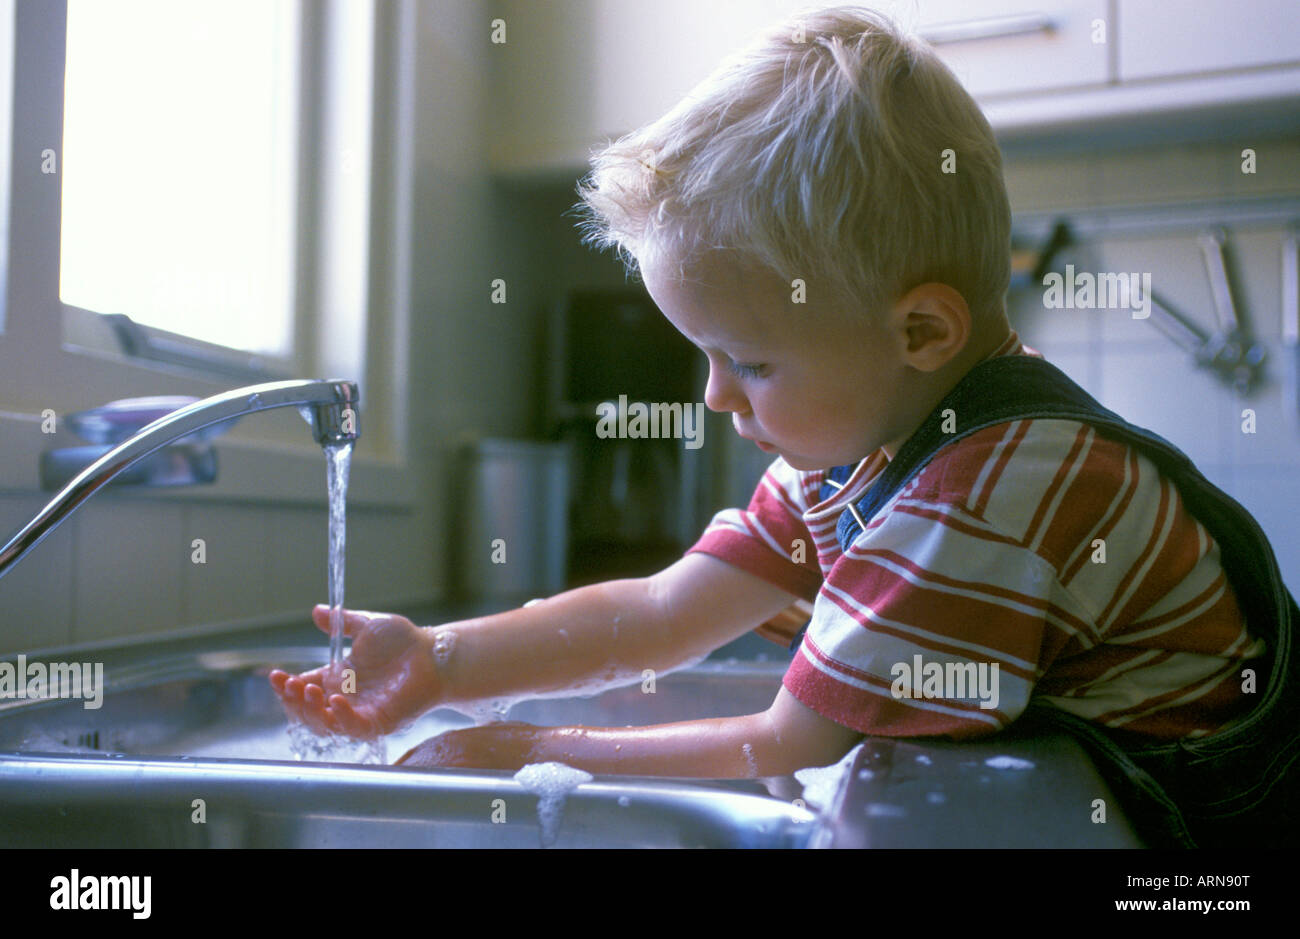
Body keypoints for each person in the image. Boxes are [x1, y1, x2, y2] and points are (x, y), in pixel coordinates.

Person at [271, 6, 1291, 845]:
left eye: (750, 361)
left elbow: (788, 741)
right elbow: (668, 611)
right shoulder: (863, 452)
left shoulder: (988, 491)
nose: (717, 396)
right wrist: (445, 661)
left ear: (922, 331)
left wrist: (520, 752)